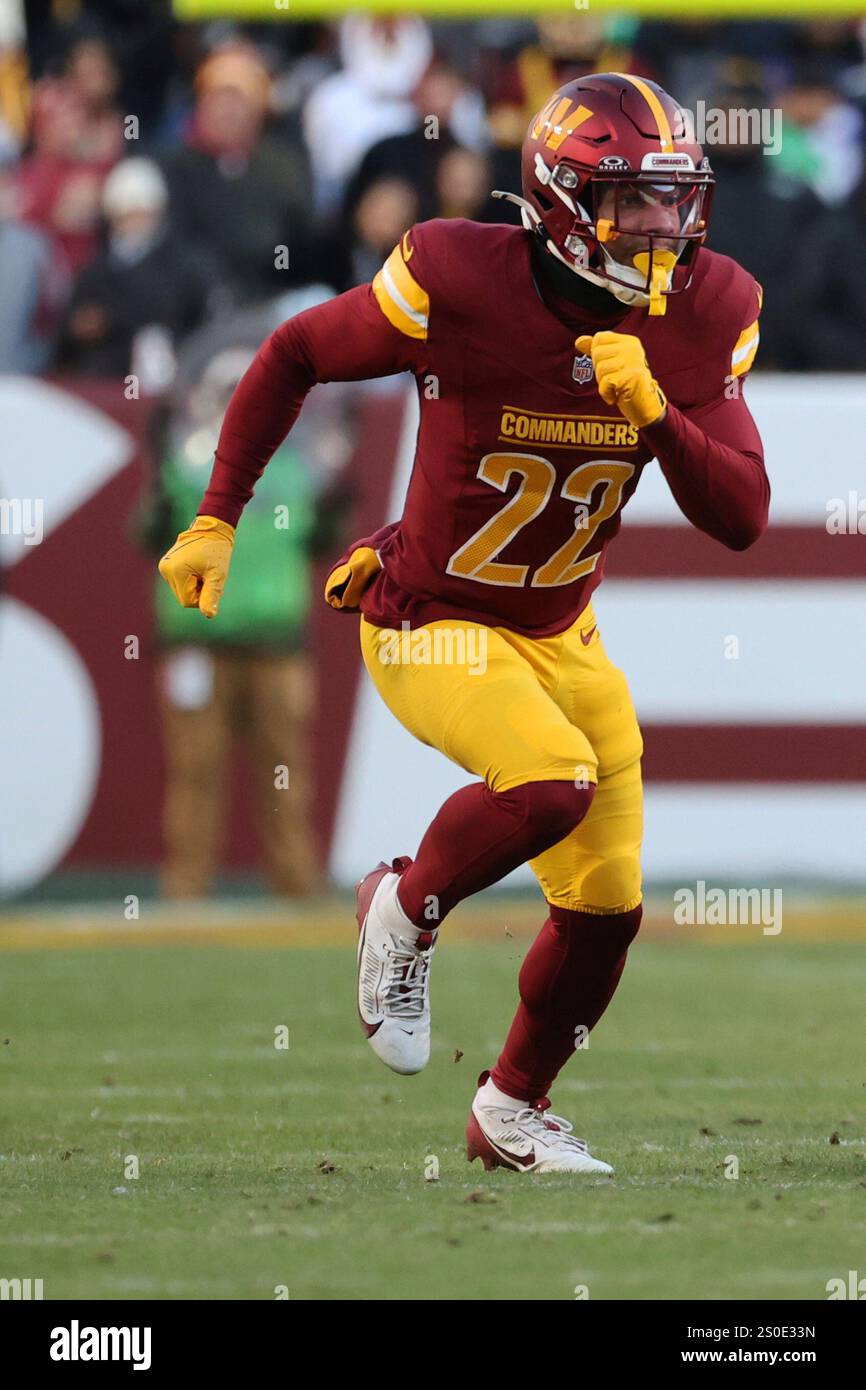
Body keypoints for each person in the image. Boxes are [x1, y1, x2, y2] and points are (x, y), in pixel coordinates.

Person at [158, 73, 769, 1175]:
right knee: (550, 780)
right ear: (560, 199)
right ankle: (401, 903)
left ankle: (508, 1111)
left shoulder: (706, 305)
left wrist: (656, 416)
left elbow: (740, 515)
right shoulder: (457, 274)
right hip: (427, 612)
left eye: (675, 200)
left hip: (560, 629)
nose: (662, 227)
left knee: (607, 901)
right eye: (633, 202)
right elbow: (297, 350)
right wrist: (216, 516)